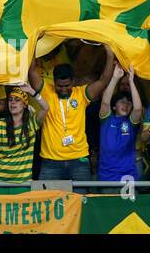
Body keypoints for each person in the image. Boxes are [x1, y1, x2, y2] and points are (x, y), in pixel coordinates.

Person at [30, 50, 114, 182]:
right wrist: (34, 44)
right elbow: (32, 72)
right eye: (59, 86)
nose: (63, 89)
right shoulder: (47, 91)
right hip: (50, 162)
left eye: (67, 85)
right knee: (48, 201)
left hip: (78, 161)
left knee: (81, 201)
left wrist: (109, 54)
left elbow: (104, 80)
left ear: (73, 81)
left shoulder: (81, 94)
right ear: (54, 81)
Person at [0, 83, 47, 193]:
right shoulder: (0, 124)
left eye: (17, 100)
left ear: (24, 104)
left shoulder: (31, 124)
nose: (13, 102)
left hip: (22, 183)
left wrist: (32, 92)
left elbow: (45, 108)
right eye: (10, 100)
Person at [96, 65, 143, 185]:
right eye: (122, 102)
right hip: (106, 174)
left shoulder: (130, 123)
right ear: (114, 107)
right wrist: (115, 78)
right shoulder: (107, 119)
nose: (126, 105)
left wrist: (131, 81)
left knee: (129, 205)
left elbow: (138, 109)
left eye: (128, 103)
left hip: (128, 175)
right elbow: (105, 102)